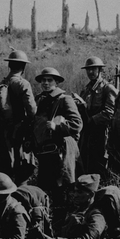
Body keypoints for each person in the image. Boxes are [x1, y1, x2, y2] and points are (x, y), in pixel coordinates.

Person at [0, 50, 37, 184]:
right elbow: (32, 111)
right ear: (24, 67)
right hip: (18, 134)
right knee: (21, 171)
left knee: (3, 170)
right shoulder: (23, 84)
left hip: (1, 134)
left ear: (9, 65)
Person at [32, 68, 82, 201]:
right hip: (44, 152)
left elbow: (77, 124)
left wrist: (57, 127)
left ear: (57, 82)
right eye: (43, 80)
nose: (46, 83)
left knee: (62, 190)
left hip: (61, 152)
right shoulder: (39, 100)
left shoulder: (64, 99)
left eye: (50, 80)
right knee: (44, 189)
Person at [76, 57, 116, 177]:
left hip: (101, 133)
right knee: (85, 161)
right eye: (88, 69)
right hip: (86, 133)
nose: (90, 72)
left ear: (99, 70)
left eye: (93, 69)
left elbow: (110, 112)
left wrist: (91, 120)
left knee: (99, 163)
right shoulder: (86, 89)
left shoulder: (108, 88)